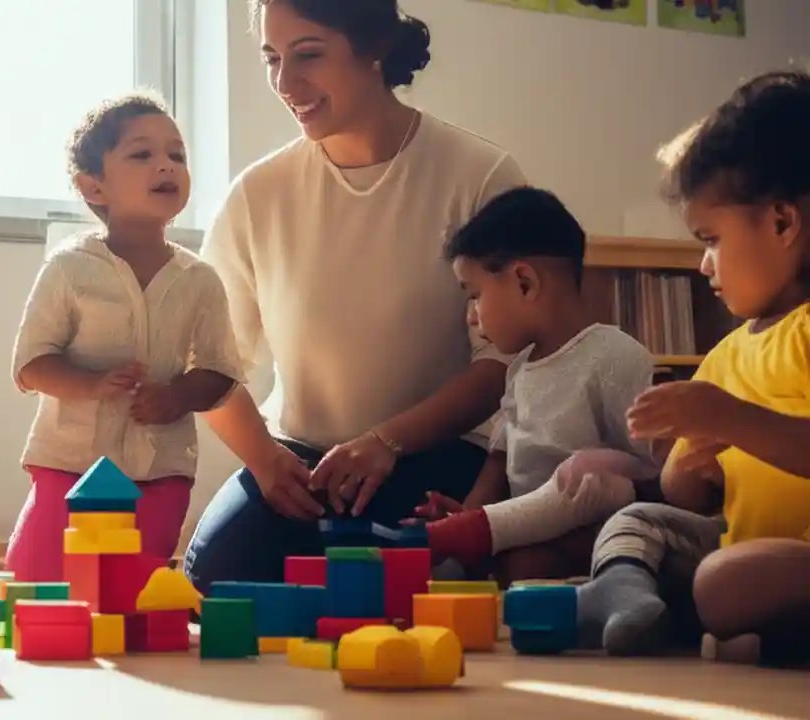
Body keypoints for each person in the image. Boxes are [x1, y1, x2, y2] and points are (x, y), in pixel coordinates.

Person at [183, 0, 528, 590]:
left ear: (374, 47)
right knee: (220, 575)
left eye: (308, 55)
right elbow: (206, 363)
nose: (285, 83)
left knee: (378, 574)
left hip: (435, 449)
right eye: (272, 59)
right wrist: (265, 460)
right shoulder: (258, 194)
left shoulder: (480, 176)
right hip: (301, 456)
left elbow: (503, 361)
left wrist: (386, 441)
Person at [577, 69, 810, 665]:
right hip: (741, 547)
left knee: (725, 583)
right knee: (638, 521)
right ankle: (628, 595)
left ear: (782, 223)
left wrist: (732, 420)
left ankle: (751, 632)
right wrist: (689, 467)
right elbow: (687, 496)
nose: (705, 265)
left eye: (711, 240)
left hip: (782, 562)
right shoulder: (727, 354)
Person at [6, 91, 245, 582]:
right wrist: (92, 385)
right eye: (142, 154)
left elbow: (220, 371)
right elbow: (31, 365)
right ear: (93, 186)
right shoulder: (68, 269)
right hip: (69, 464)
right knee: (34, 577)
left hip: (160, 471)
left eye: (177, 154)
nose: (166, 165)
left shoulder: (200, 280)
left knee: (133, 587)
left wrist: (177, 396)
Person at [404, 187, 660, 586]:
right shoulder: (519, 370)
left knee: (528, 562)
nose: (472, 317)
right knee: (446, 565)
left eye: (476, 296)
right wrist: (463, 521)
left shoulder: (613, 356)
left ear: (524, 282)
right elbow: (498, 467)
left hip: (594, 537)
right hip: (525, 534)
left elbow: (654, 475)